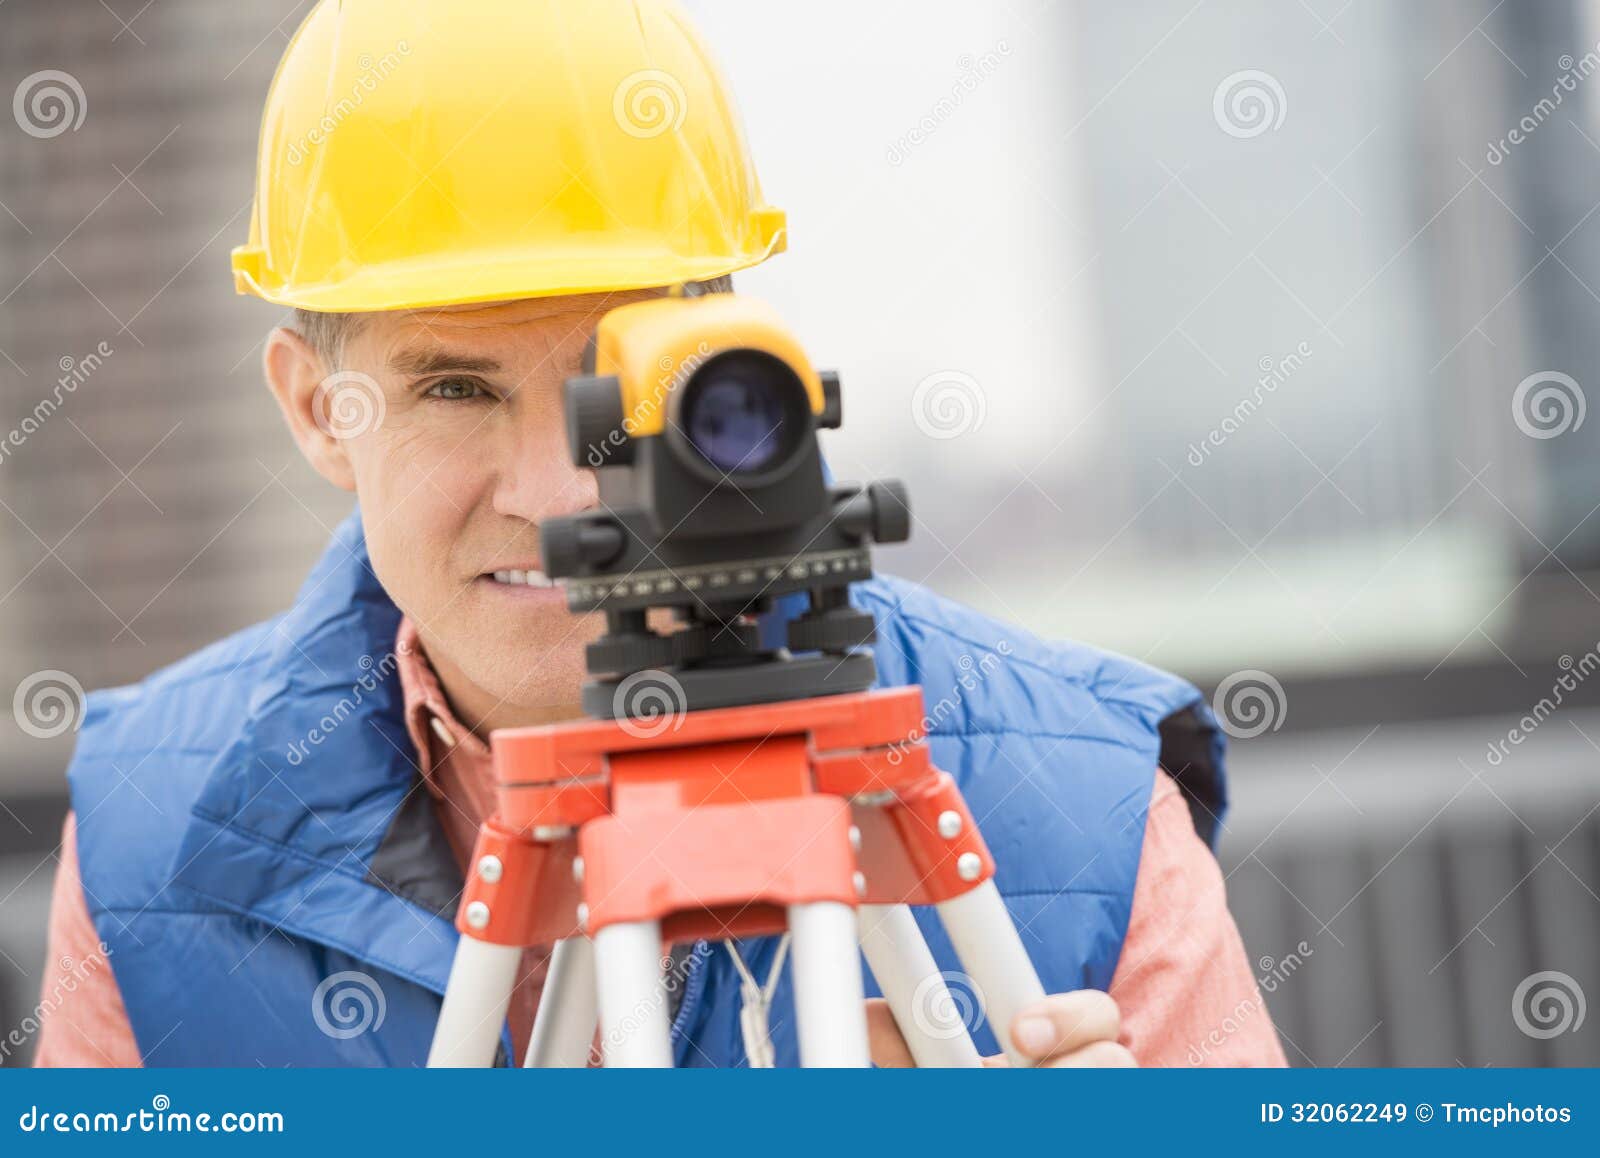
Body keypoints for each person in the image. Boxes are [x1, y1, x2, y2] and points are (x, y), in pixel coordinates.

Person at [35, 0, 1285, 1068]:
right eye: (454, 389)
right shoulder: (150, 833)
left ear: (723, 359)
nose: (560, 490)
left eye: (610, 383)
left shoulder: (1084, 797)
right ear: (318, 410)